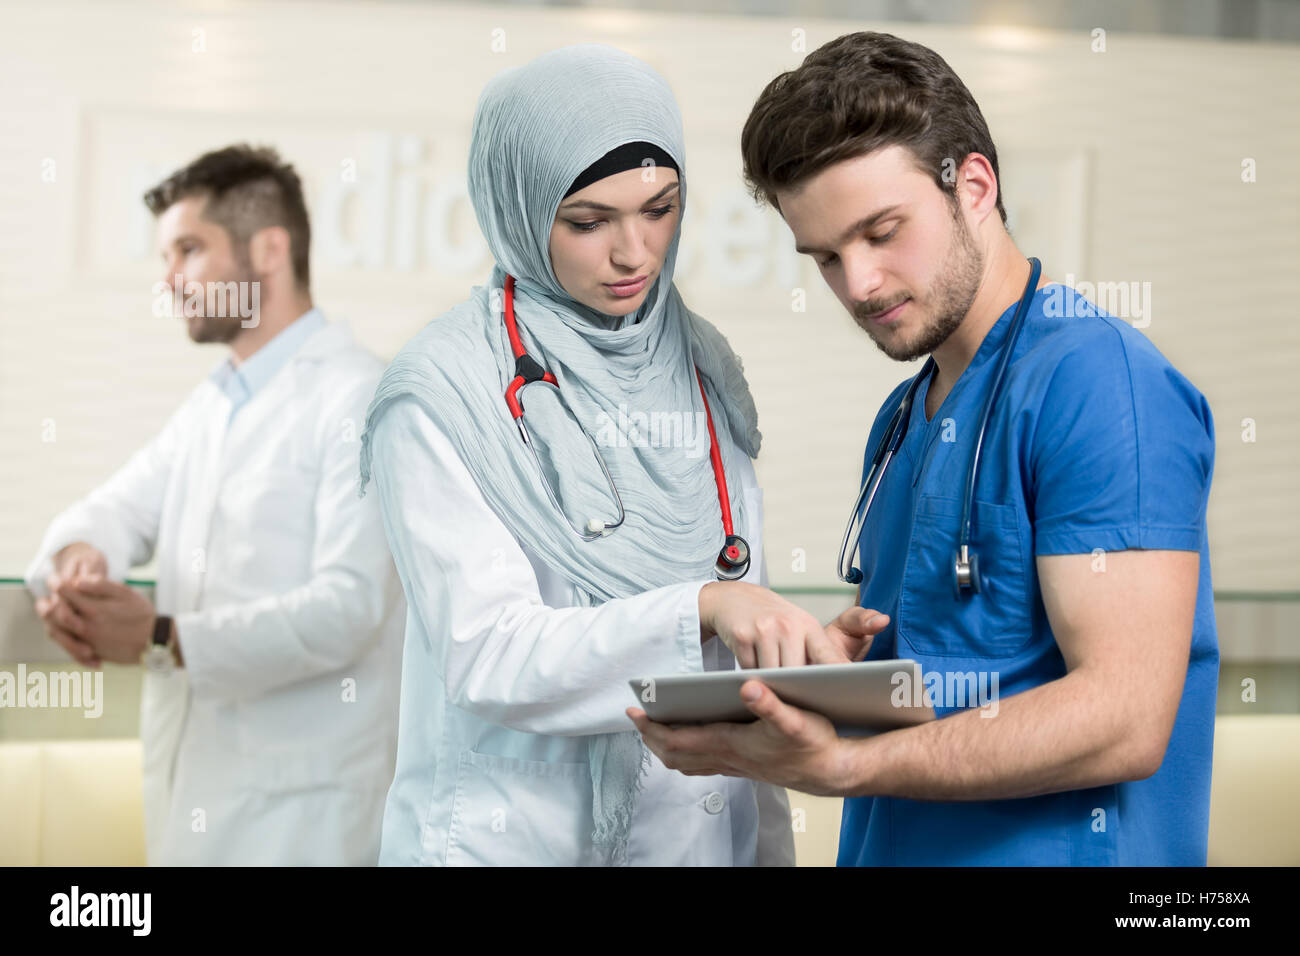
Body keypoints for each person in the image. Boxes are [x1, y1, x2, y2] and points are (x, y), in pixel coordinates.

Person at [631, 31, 1219, 867]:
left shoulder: (1098, 383)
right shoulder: (905, 416)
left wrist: (844, 765)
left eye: (882, 232)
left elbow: (1123, 719)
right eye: (827, 257)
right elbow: (952, 673)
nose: (859, 284)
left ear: (973, 186)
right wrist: (829, 682)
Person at [358, 43, 886, 867]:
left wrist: (792, 656)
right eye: (588, 221)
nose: (634, 252)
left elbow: (729, 602)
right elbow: (489, 655)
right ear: (519, 208)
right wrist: (706, 607)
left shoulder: (700, 367)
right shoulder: (442, 392)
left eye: (659, 208)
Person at [25, 144, 405, 865]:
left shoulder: (359, 397)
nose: (168, 281)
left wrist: (162, 637)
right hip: (196, 801)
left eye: (188, 250)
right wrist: (78, 562)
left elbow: (350, 607)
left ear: (269, 250)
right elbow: (114, 511)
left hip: (306, 820)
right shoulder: (214, 404)